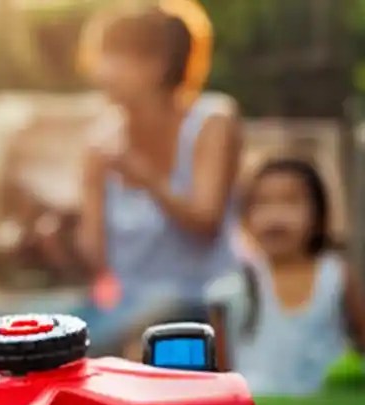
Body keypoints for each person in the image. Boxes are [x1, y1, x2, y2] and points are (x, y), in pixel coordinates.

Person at [78, 2, 242, 357]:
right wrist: (52, 238)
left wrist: (147, 179)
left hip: (198, 299)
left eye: (116, 57)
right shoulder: (102, 140)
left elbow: (206, 222)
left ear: (158, 65)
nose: (101, 70)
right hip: (125, 306)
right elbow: (96, 258)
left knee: (107, 338)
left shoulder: (212, 120)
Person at [206, 158, 365, 395]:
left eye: (291, 202)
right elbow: (221, 371)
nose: (275, 216)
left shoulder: (335, 276)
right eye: (262, 203)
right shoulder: (231, 288)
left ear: (318, 215)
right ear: (245, 218)